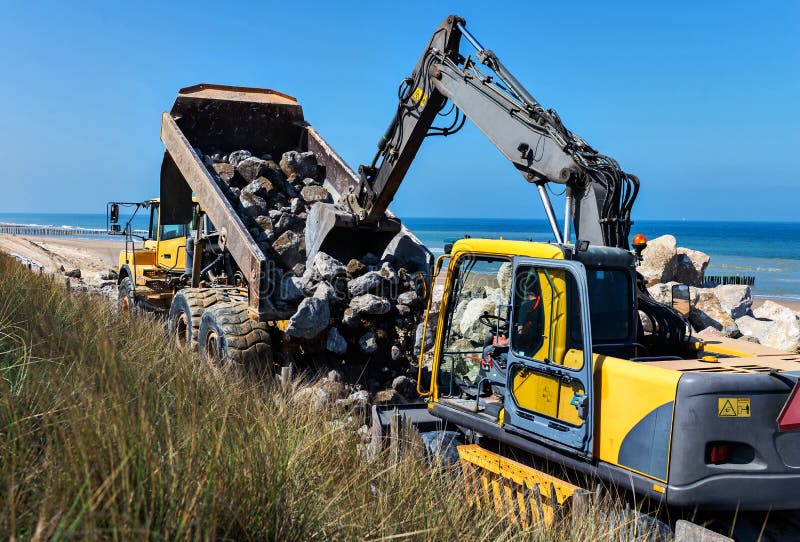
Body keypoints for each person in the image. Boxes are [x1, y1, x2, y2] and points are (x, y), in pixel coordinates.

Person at [514, 273, 544, 356]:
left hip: (527, 347)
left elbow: (520, 330)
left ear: (527, 290)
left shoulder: (525, 307)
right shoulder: (543, 305)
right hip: (539, 343)